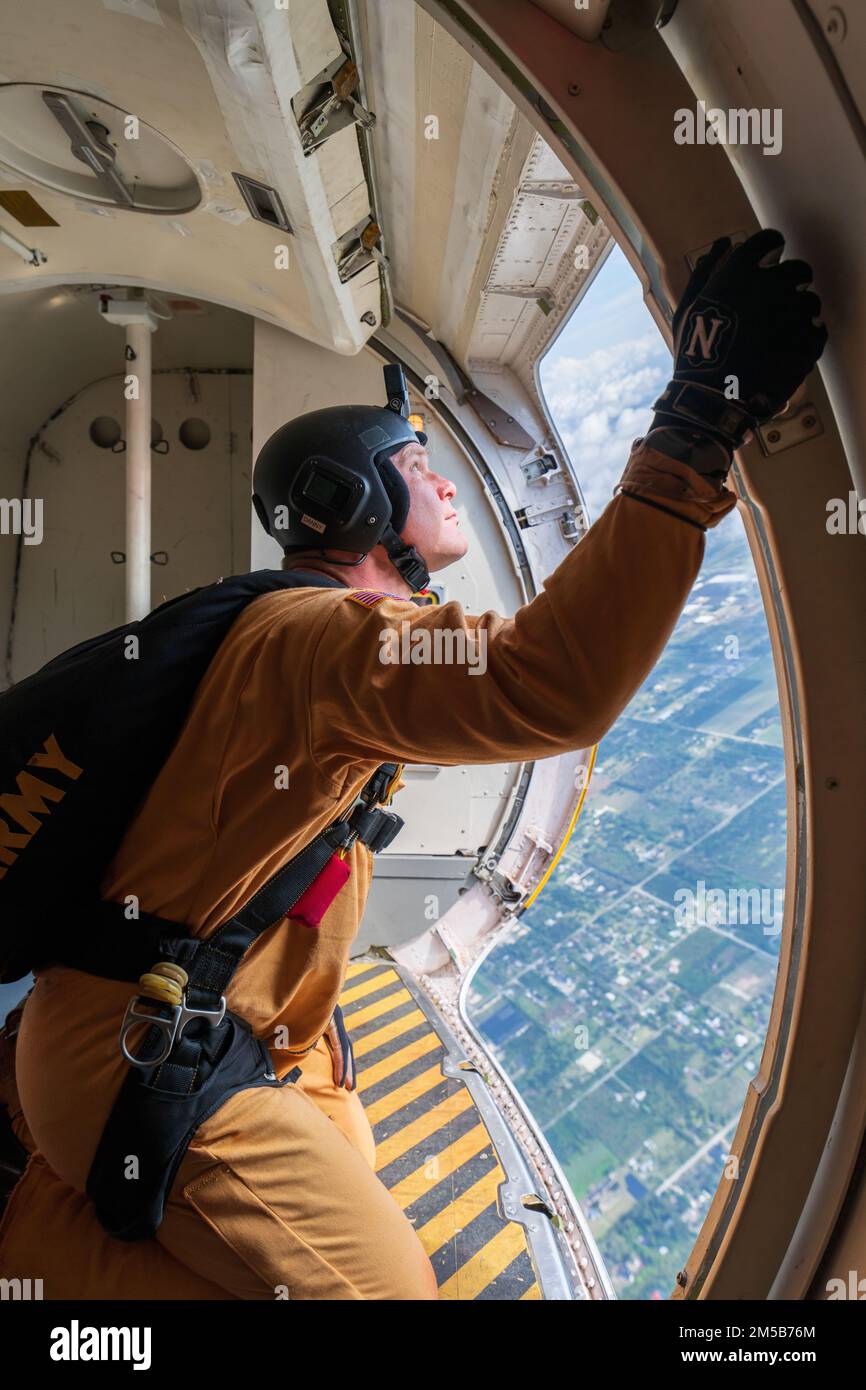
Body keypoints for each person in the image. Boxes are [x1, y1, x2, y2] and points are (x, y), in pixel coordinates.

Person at [0, 230, 826, 1300]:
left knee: (347, 1178)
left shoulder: (307, 641)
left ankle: (62, 1200)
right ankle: (36, 1239)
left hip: (215, 1028)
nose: (439, 484)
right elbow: (550, 684)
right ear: (352, 501)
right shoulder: (319, 640)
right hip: (136, 1048)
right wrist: (693, 425)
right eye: (416, 466)